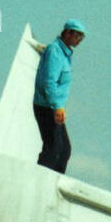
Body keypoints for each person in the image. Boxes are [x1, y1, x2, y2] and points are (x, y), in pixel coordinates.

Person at [32, 19, 86, 174]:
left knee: (64, 150)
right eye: (77, 35)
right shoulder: (56, 52)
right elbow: (49, 82)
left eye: (82, 37)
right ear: (67, 33)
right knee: (54, 148)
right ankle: (39, 178)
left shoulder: (64, 54)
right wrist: (57, 107)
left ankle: (54, 180)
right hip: (47, 107)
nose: (79, 40)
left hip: (54, 107)